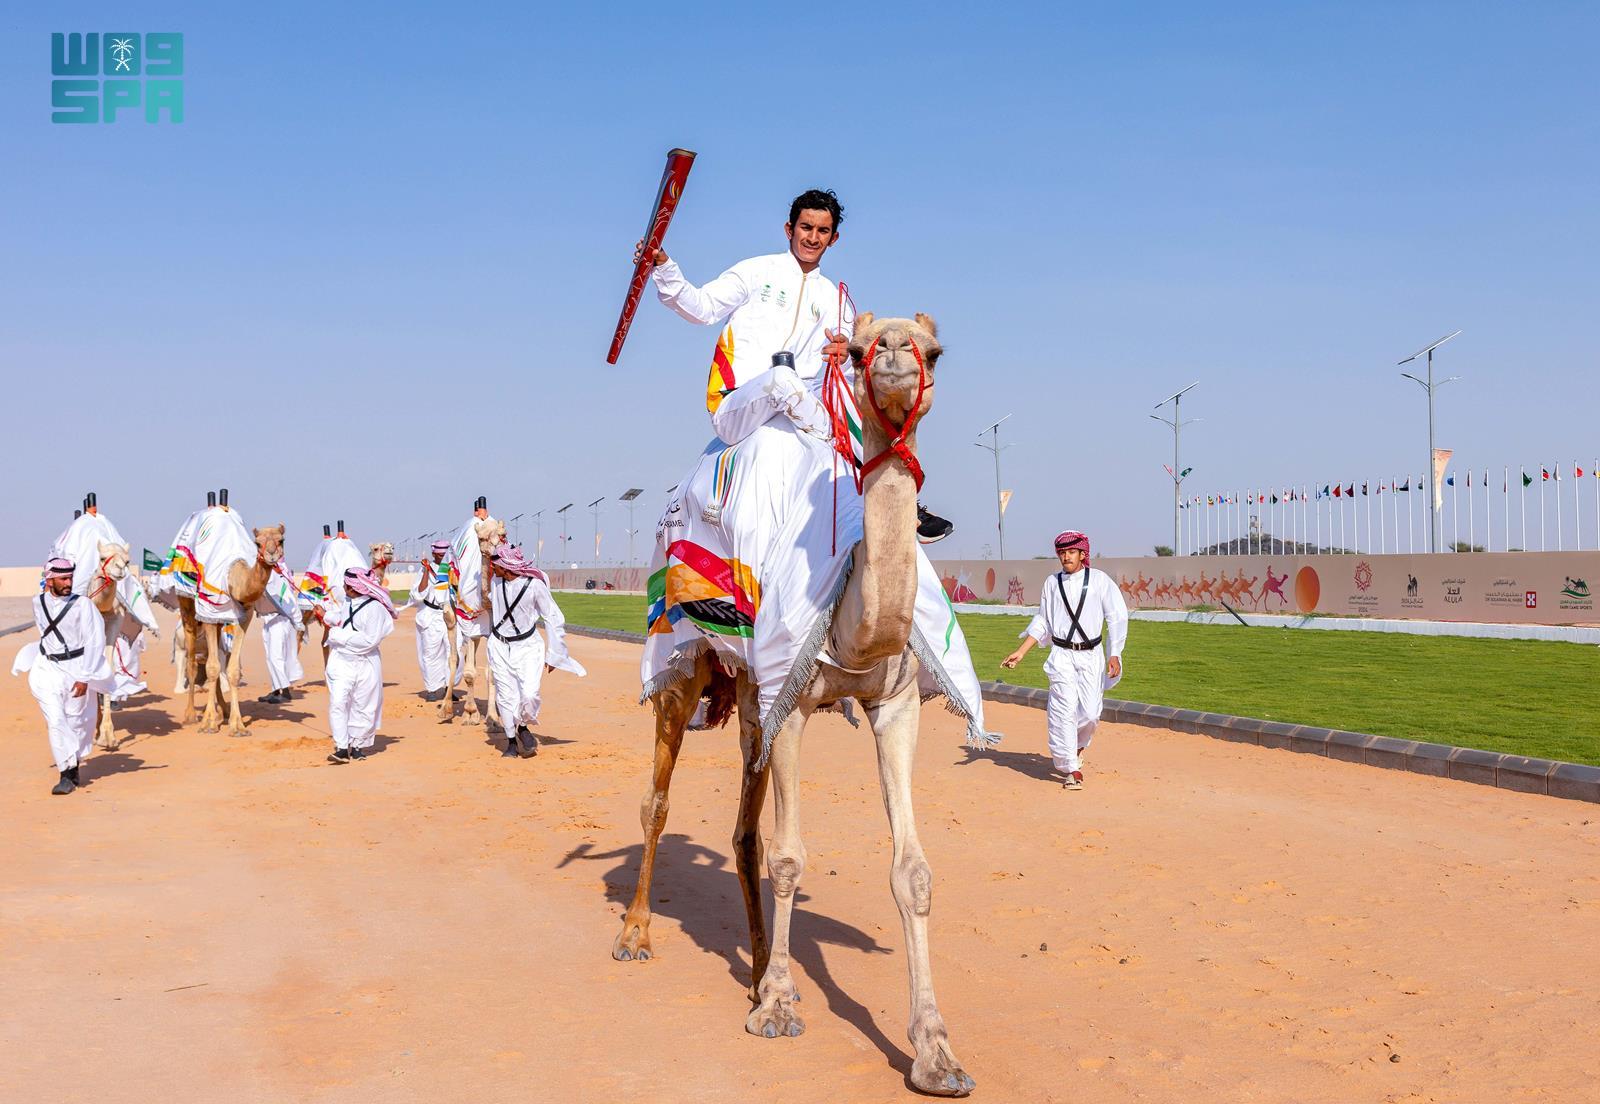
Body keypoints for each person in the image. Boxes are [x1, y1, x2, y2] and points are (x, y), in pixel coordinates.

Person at [636, 189, 994, 749]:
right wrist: (663, 266)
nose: (812, 237)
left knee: (860, 412)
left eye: (822, 231)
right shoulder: (757, 272)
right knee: (783, 379)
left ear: (833, 237)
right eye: (805, 227)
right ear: (789, 229)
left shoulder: (838, 299)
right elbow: (699, 306)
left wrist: (842, 355)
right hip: (742, 404)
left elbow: (848, 366)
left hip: (805, 420)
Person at [1002, 531, 1128, 789]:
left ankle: (1077, 746)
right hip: (1061, 656)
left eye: (1071, 552)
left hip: (1091, 656)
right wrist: (1021, 651)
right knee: (1063, 710)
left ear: (1082, 554)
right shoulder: (1052, 583)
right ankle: (1071, 767)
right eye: (1062, 553)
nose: (1066, 557)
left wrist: (1114, 652)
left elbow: (1116, 616)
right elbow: (1043, 621)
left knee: (1091, 713)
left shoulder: (1099, 580)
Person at [11, 558, 114, 795]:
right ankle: (66, 773)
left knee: (77, 722)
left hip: (77, 668)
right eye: (63, 579)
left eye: (70, 578)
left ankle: (73, 762)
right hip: (47, 667)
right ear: (50, 581)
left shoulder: (83, 605)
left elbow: (95, 640)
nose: (68, 583)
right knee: (56, 720)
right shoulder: (37, 603)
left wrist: (84, 677)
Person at [485, 545, 584, 758]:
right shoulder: (495, 582)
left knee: (529, 694)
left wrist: (554, 655)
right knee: (505, 696)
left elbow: (553, 617)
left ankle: (522, 726)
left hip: (528, 647)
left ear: (506, 567)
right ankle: (512, 741)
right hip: (499, 646)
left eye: (495, 564)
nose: (492, 567)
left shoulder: (534, 586)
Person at [312, 567, 395, 764]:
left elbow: (369, 641)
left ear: (353, 588)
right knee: (338, 702)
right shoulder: (348, 602)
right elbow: (341, 618)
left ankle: (357, 745)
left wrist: (336, 635)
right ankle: (341, 747)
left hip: (366, 663)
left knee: (363, 705)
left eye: (345, 585)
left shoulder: (375, 609)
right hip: (342, 661)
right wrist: (325, 615)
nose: (343, 587)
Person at [408, 539, 452, 701]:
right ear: (434, 554)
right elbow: (419, 592)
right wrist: (427, 570)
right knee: (430, 653)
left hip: (449, 615)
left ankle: (449, 686)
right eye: (439, 555)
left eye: (445, 554)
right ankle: (432, 689)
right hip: (430, 615)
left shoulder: (452, 569)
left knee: (453, 652)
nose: (442, 557)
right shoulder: (426, 569)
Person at [256, 557, 304, 705]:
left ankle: (284, 692)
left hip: (280, 620)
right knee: (272, 657)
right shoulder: (263, 577)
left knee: (276, 657)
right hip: (269, 621)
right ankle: (277, 690)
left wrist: (298, 622)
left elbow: (290, 601)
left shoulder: (277, 580)